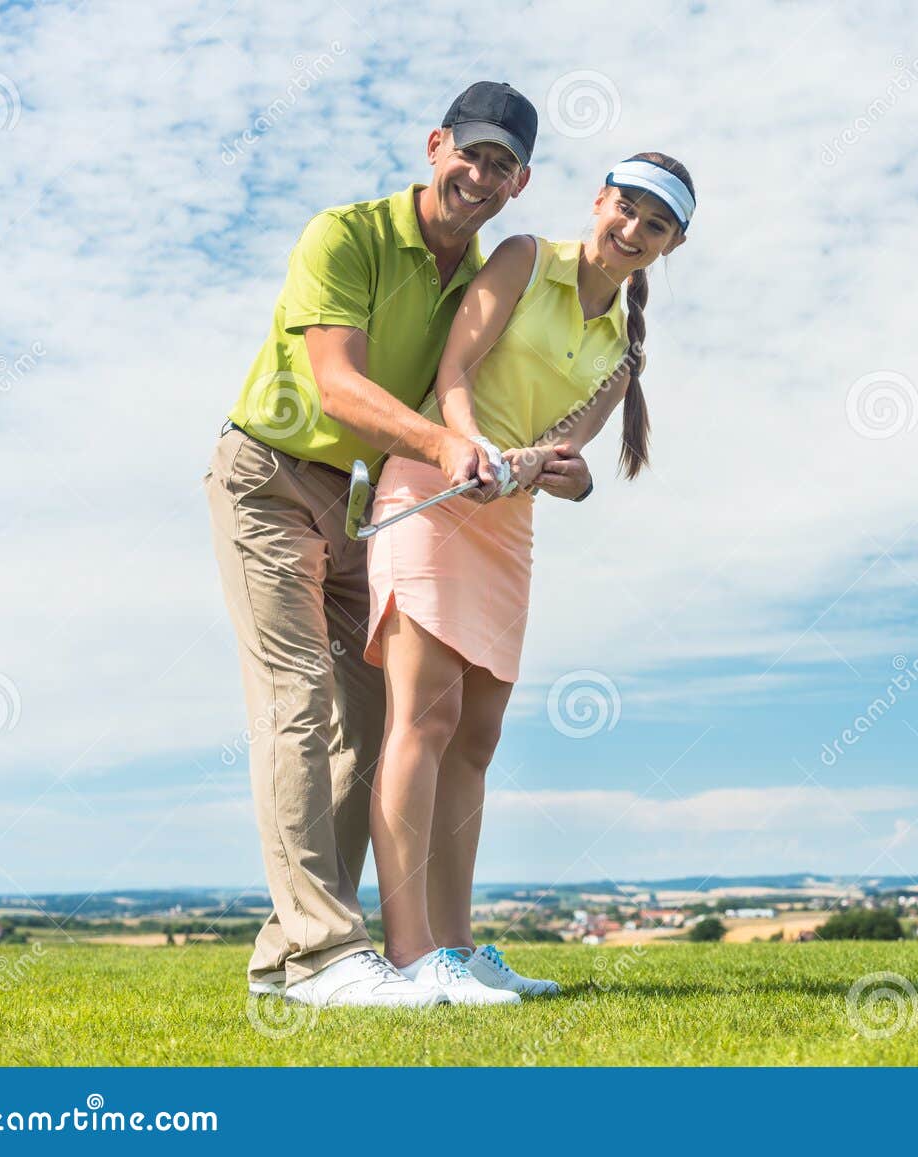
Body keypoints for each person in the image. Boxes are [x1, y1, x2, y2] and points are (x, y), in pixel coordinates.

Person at [205, 82, 581, 1009]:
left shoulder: (484, 276)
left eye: (502, 165)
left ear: (520, 181)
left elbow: (492, 392)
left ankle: (284, 957)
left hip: (363, 512)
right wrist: (446, 444)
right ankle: (332, 956)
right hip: (268, 477)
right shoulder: (346, 234)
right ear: (433, 145)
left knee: (367, 730)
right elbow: (335, 386)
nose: (480, 176)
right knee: (296, 703)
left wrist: (539, 461)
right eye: (470, 153)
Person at [364, 153, 695, 1004]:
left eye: (655, 226)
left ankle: (459, 947)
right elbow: (454, 376)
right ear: (599, 201)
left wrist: (571, 477)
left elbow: (569, 450)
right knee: (425, 717)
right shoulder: (523, 257)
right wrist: (467, 445)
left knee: (477, 737)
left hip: (507, 527)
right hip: (436, 489)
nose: (633, 231)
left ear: (671, 245)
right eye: (626, 209)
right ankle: (411, 955)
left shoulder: (625, 348)